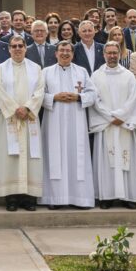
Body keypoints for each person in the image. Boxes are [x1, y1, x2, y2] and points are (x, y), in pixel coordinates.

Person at [40, 41, 95, 208]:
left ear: (73, 53)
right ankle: (54, 199)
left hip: (76, 121)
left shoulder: (82, 71)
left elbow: (93, 94)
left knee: (76, 157)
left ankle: (80, 198)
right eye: (61, 50)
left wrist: (78, 97)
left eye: (68, 51)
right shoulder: (46, 72)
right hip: (53, 121)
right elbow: (37, 95)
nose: (65, 53)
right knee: (54, 157)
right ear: (55, 53)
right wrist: (53, 98)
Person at [89, 41, 136, 209]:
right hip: (106, 126)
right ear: (104, 54)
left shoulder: (128, 75)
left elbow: (133, 98)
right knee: (106, 161)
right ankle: (107, 197)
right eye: (109, 53)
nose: (112, 56)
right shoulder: (96, 76)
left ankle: (128, 196)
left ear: (120, 54)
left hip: (123, 125)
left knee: (126, 160)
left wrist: (121, 116)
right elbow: (95, 100)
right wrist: (110, 117)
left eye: (115, 53)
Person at [0, 35, 44, 211]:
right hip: (10, 119)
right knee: (10, 158)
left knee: (31, 157)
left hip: (29, 119)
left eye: (20, 46)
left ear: (25, 48)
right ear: (8, 49)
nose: (17, 49)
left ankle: (29, 198)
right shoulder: (1, 68)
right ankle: (11, 198)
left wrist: (28, 108)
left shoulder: (36, 68)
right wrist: (15, 109)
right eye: (13, 46)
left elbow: (40, 91)